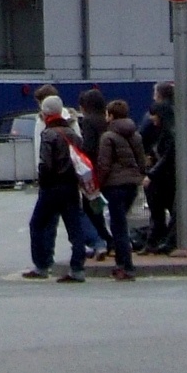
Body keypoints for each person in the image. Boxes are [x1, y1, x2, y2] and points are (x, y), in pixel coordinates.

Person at [24, 94, 91, 282]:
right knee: (75, 229)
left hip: (52, 187)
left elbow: (45, 164)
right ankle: (77, 269)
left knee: (37, 224)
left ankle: (41, 265)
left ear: (46, 114)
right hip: (71, 186)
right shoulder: (73, 135)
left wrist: (43, 183)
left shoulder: (48, 134)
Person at [94, 99, 146, 280]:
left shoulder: (107, 137)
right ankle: (123, 264)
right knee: (121, 222)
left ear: (111, 116)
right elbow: (141, 162)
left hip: (114, 185)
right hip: (132, 184)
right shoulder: (136, 135)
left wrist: (98, 184)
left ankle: (125, 265)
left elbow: (104, 164)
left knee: (118, 226)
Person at [72, 87, 110, 258]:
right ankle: (107, 240)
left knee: (91, 208)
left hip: (91, 171)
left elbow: (88, 146)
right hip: (106, 169)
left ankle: (103, 240)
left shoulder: (88, 121)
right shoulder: (105, 120)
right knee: (99, 208)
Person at [139, 85, 177, 252]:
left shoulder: (162, 129)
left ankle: (155, 242)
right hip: (167, 173)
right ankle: (160, 240)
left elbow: (167, 154)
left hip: (160, 173)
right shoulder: (177, 119)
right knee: (169, 208)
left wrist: (150, 172)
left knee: (158, 209)